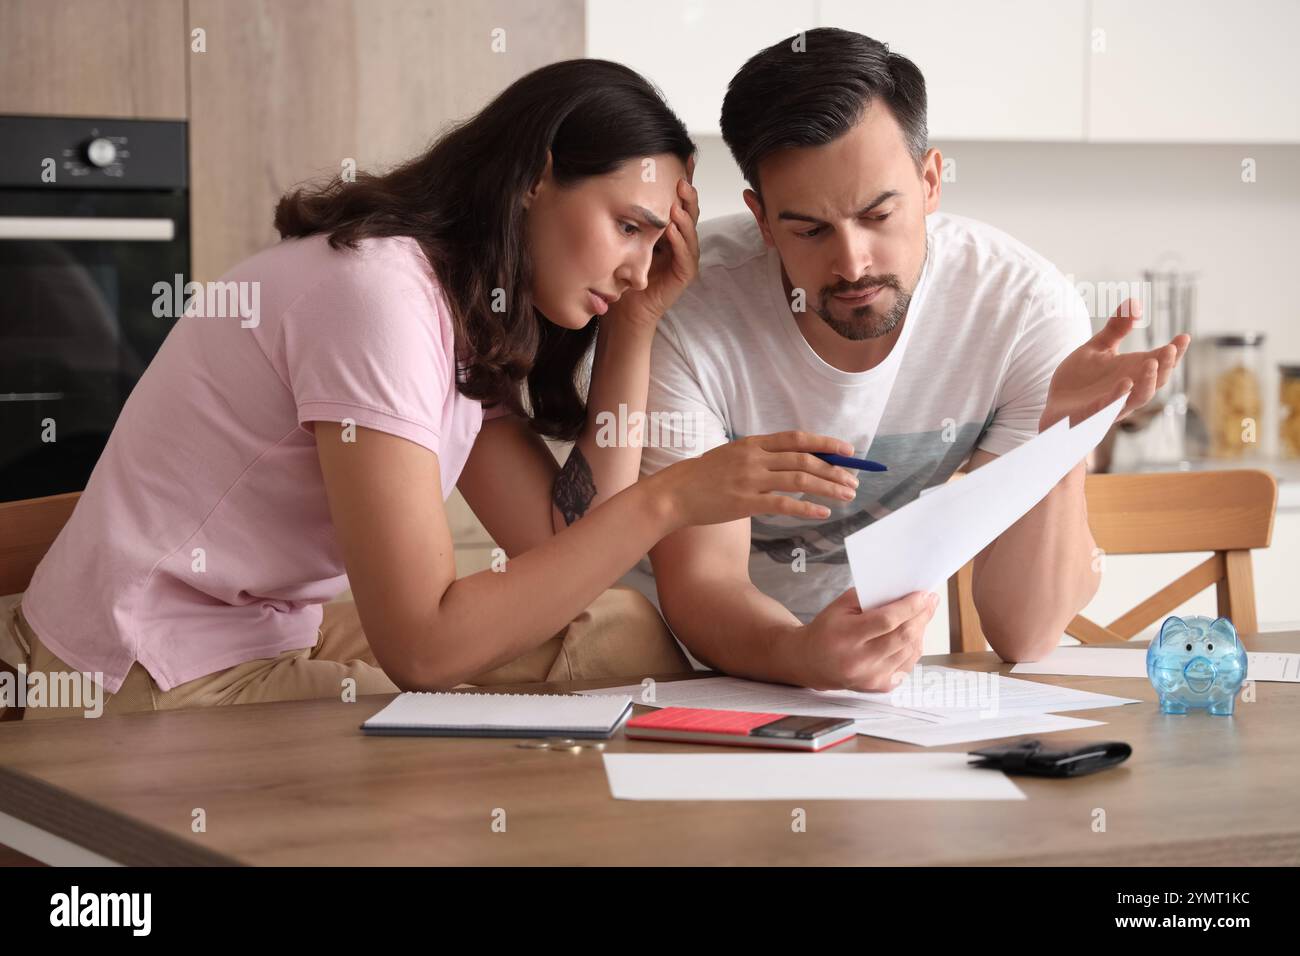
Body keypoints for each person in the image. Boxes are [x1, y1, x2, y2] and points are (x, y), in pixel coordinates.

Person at [6, 59, 857, 720]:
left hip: (268, 634)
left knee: (624, 633)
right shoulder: (375, 296)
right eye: (627, 227)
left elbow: (559, 538)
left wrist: (635, 323)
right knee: (499, 710)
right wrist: (668, 502)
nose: (639, 266)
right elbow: (420, 647)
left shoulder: (453, 308)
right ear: (535, 176)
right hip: (148, 670)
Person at [619, 29, 1189, 691]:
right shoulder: (687, 304)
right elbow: (703, 583)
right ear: (763, 220)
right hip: (671, 675)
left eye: (879, 214)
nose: (853, 262)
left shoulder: (1020, 307)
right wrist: (803, 656)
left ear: (929, 181)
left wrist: (1062, 437)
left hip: (864, 692)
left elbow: (1024, 633)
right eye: (810, 229)